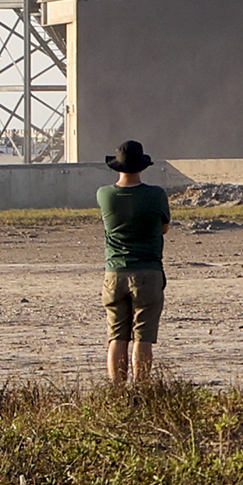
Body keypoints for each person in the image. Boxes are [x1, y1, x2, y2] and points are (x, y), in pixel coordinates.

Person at [98, 140, 170, 384]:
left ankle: (117, 390)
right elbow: (164, 227)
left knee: (117, 336)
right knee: (143, 337)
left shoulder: (105, 194)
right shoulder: (156, 194)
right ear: (142, 166)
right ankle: (141, 388)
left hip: (114, 271)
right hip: (148, 270)